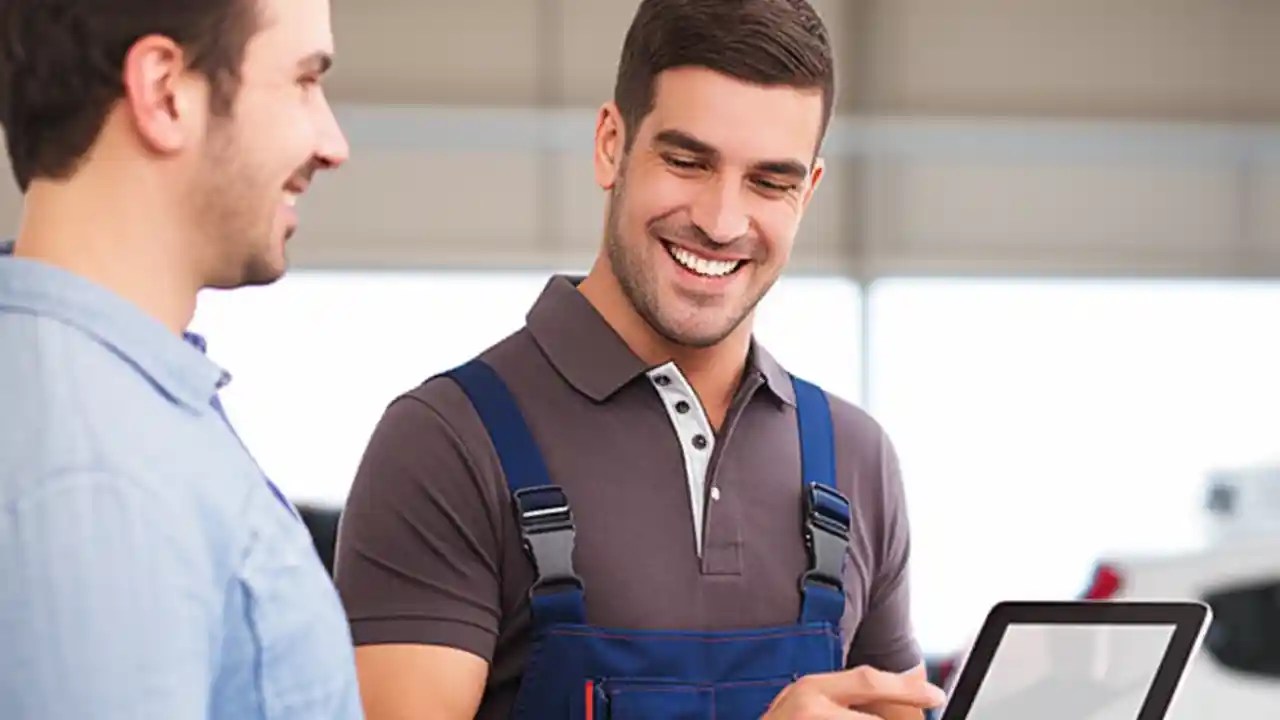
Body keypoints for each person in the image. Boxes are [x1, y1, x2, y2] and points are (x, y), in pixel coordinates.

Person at [334, 1, 944, 718]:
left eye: (769, 182)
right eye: (688, 162)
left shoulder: (855, 458)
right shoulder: (444, 443)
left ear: (807, 192)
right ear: (610, 145)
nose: (721, 222)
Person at [0, 0, 359, 718]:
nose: (333, 142)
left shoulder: (117, 408)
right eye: (303, 81)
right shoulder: (97, 472)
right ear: (165, 92)